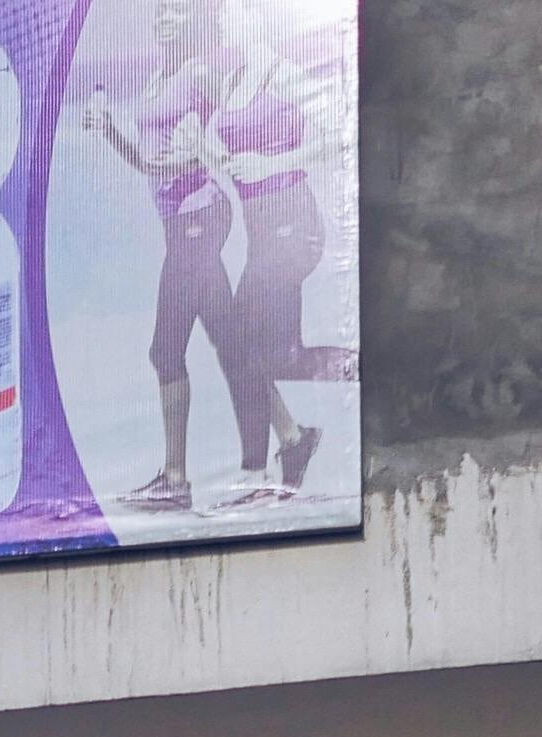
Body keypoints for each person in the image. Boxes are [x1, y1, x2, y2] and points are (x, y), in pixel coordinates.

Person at [81, 0, 243, 515]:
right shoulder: (156, 78)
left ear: (193, 20)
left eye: (175, 11)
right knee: (226, 337)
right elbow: (149, 165)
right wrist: (109, 131)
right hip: (181, 222)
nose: (163, 18)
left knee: (165, 350)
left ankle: (176, 479)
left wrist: (200, 149)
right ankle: (292, 435)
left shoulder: (199, 73)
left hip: (201, 216)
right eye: (159, 11)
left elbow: (228, 136)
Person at [205, 0, 325, 507]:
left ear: (259, 17)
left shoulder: (286, 73)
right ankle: (292, 442)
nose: (228, 21)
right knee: (245, 351)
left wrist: (270, 161)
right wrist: (210, 154)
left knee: (256, 351)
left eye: (237, 13)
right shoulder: (232, 84)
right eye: (224, 15)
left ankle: (260, 467)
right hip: (261, 232)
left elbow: (333, 138)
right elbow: (216, 147)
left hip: (295, 224)